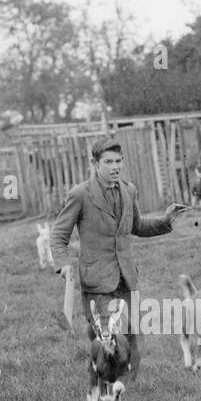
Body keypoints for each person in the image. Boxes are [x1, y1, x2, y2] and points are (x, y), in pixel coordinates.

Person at [50, 137, 187, 372]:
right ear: (95, 163)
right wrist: (63, 264)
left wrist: (165, 222)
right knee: (109, 338)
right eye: (109, 161)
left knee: (133, 341)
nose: (116, 166)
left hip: (126, 280)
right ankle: (105, 390)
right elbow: (58, 234)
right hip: (97, 282)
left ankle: (126, 391)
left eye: (119, 161)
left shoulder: (129, 190)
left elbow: (137, 226)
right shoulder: (80, 194)